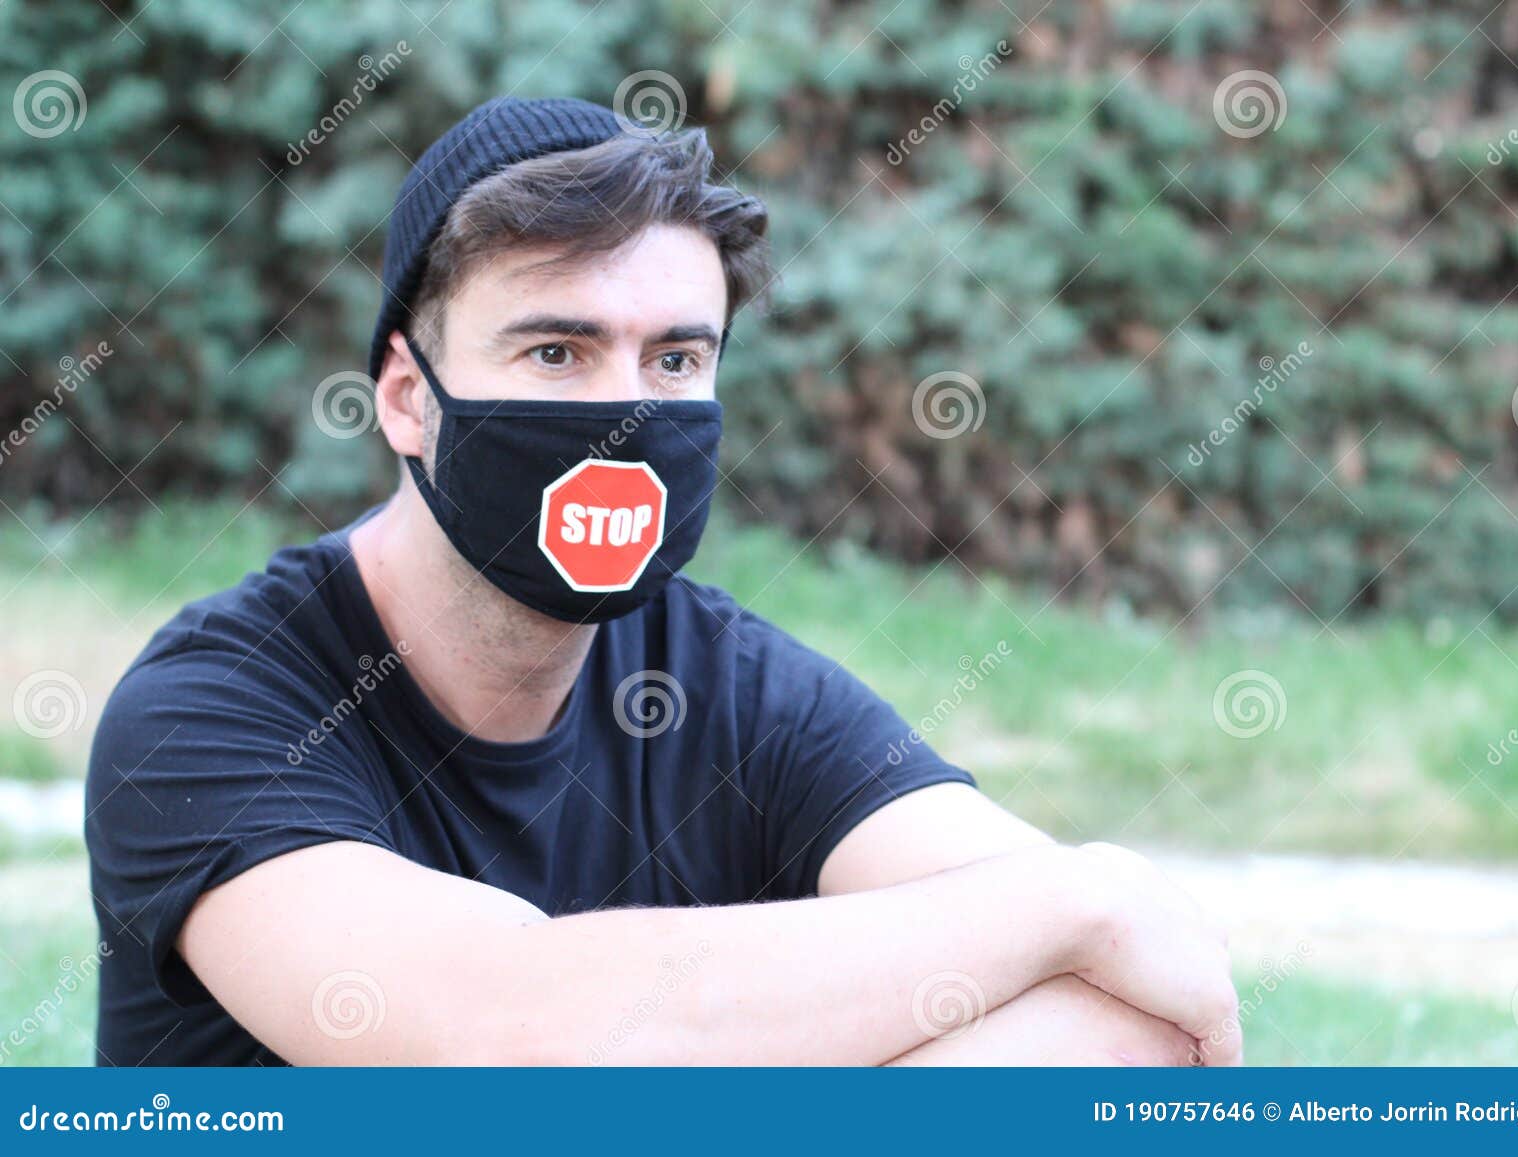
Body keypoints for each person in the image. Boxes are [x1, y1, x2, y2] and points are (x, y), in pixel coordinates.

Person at [85, 97, 1238, 1066]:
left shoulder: (730, 688)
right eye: (556, 351)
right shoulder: (209, 712)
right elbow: (505, 1032)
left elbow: (1137, 1021)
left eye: (675, 358)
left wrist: (1076, 924)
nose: (627, 411)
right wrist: (1073, 898)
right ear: (406, 397)